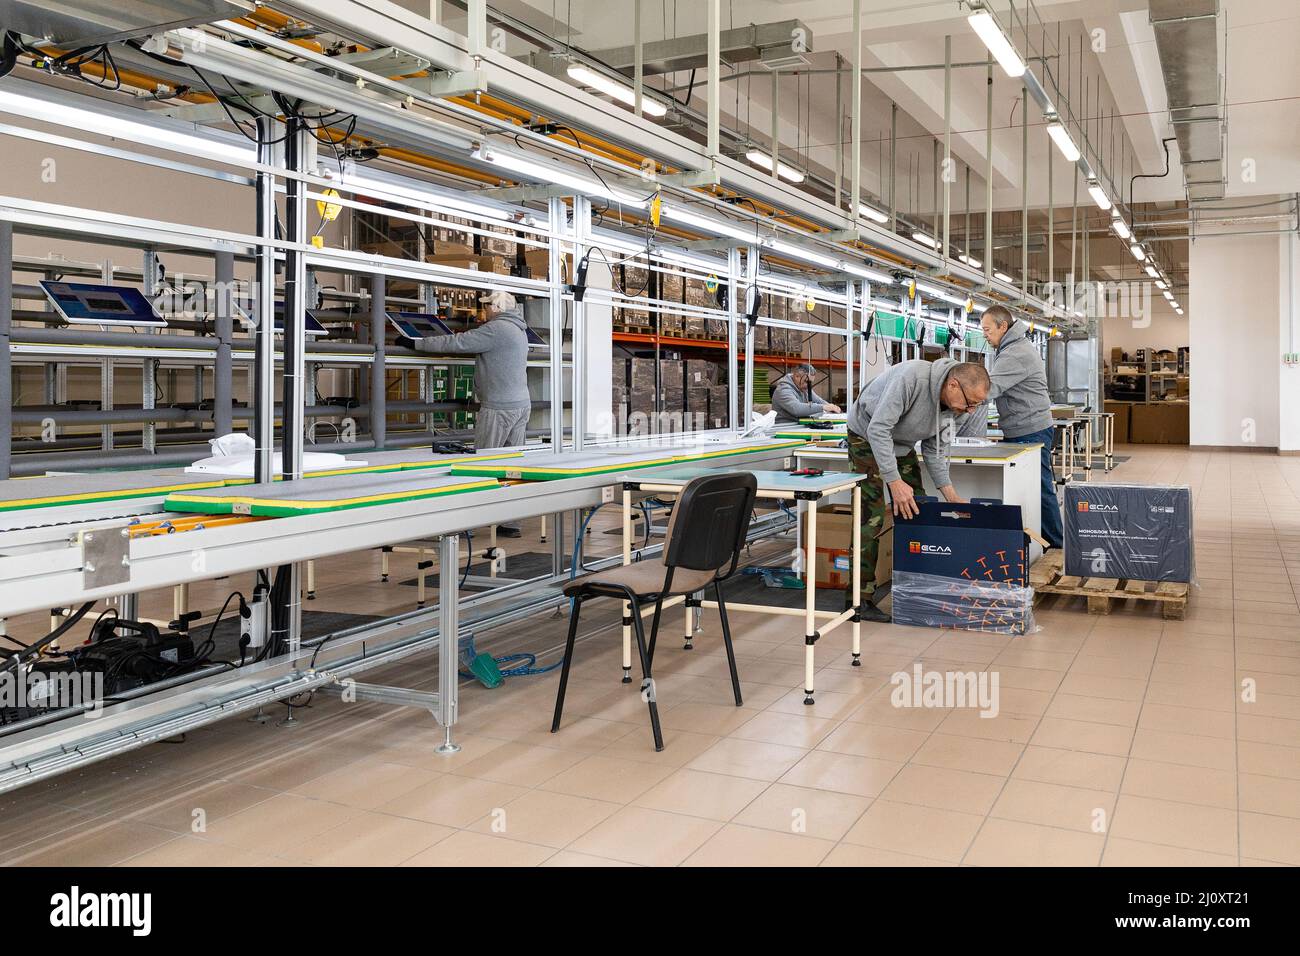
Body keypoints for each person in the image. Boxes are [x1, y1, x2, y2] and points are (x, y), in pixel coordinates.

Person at [846, 357, 991, 621]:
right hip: (866, 438)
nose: (971, 411)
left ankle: (916, 586)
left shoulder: (952, 410)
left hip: (901, 445)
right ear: (953, 385)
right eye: (971, 403)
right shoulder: (911, 378)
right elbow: (878, 429)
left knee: (919, 506)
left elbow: (935, 450)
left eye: (977, 405)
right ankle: (858, 600)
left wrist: (951, 495)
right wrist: (893, 481)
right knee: (872, 517)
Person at [395, 290, 531, 537]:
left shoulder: (497, 329)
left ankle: (467, 523)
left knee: (481, 463)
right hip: (520, 404)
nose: (484, 311)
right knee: (512, 465)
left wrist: (415, 343)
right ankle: (512, 522)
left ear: (497, 308)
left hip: (499, 407)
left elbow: (456, 343)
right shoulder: (518, 329)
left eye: (487, 307)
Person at [979, 305, 1063, 549]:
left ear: (1002, 326)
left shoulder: (1014, 353)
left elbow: (990, 388)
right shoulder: (1010, 348)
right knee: (1032, 485)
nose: (984, 334)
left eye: (987, 329)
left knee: (1039, 487)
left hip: (1030, 430)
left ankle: (1056, 544)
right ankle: (1041, 540)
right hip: (1024, 427)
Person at [770, 364, 841, 423]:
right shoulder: (783, 389)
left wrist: (831, 407)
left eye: (810, 382)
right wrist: (823, 407)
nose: (809, 385)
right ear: (797, 376)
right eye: (807, 381)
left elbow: (819, 401)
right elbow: (796, 409)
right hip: (785, 427)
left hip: (798, 425)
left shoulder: (804, 387)